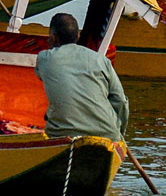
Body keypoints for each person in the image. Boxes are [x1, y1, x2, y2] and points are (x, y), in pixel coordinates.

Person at [34, 12, 130, 143]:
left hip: (62, 134)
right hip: (108, 134)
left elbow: (41, 75)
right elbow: (120, 101)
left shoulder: (44, 58)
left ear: (54, 38)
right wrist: (119, 135)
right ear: (78, 36)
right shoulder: (101, 60)